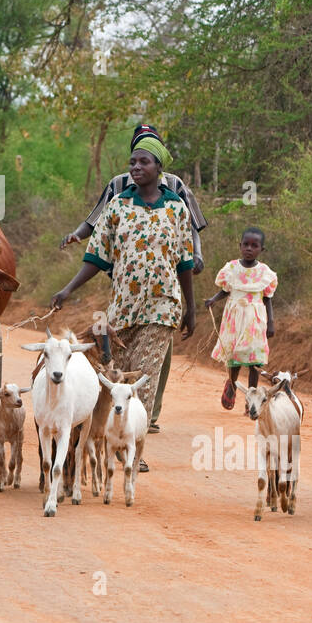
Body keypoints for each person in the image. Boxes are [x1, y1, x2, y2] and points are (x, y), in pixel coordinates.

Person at [50, 130, 196, 471]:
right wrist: (68, 289)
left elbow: (185, 262)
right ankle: (99, 439)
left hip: (163, 307)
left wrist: (189, 308)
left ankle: (133, 452)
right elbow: (96, 255)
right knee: (113, 375)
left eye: (144, 162)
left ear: (159, 167)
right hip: (123, 309)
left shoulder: (176, 208)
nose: (136, 167)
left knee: (143, 378)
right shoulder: (118, 206)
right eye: (132, 162)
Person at [203, 227, 277, 410]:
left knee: (254, 360)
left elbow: (267, 299)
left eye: (254, 245)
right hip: (234, 318)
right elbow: (226, 290)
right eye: (246, 245)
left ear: (262, 249)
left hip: (255, 319)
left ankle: (251, 397)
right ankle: (232, 384)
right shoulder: (231, 268)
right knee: (235, 356)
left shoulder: (264, 273)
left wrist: (271, 323)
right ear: (240, 246)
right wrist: (213, 300)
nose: (249, 249)